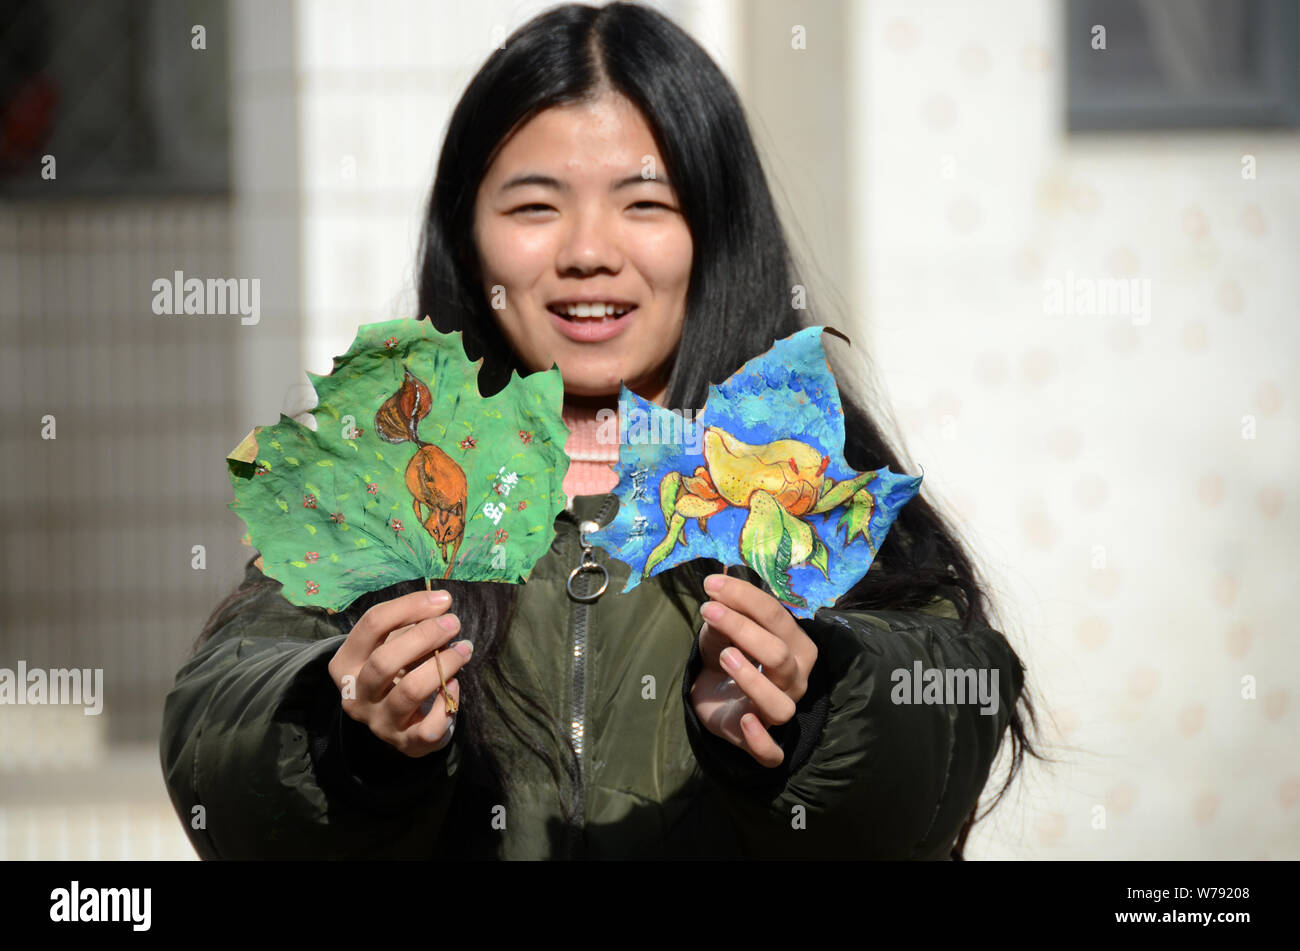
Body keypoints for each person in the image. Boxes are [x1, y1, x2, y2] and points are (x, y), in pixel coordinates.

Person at [160, 1, 1040, 860]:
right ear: (466, 238)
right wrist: (348, 739)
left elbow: (946, 705)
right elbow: (218, 727)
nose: (588, 250)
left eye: (645, 205)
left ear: (717, 231)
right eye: (535, 207)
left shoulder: (806, 478)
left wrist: (809, 713)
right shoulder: (386, 477)